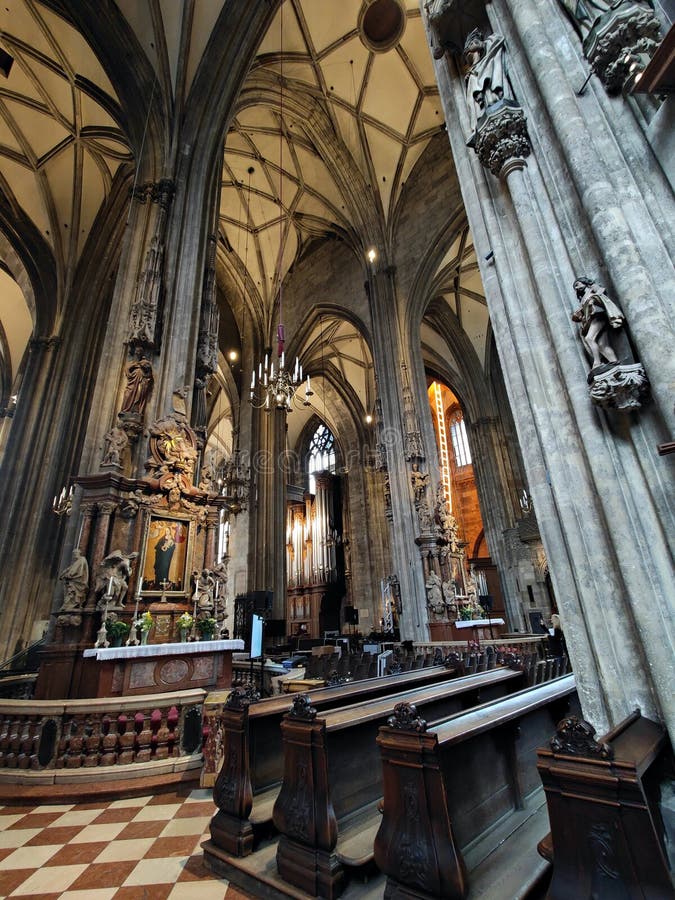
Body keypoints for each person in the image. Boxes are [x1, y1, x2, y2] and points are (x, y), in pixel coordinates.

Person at [571, 277, 625, 370]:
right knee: (602, 345)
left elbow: (601, 291)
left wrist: (594, 297)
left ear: (584, 282)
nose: (576, 288)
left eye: (577, 284)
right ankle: (614, 362)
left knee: (589, 338)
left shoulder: (592, 288)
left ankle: (597, 363)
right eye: (575, 287)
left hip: (598, 316)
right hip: (592, 318)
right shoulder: (583, 297)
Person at [464, 29, 507, 136]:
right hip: (485, 115)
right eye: (470, 45)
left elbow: (498, 38)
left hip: (497, 105)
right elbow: (470, 101)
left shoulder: (488, 58)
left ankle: (493, 103)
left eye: (473, 43)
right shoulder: (471, 74)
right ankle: (479, 121)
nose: (471, 47)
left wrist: (483, 43)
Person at [120, 351, 154, 416]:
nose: (137, 353)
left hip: (141, 382)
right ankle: (125, 410)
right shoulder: (132, 363)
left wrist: (144, 368)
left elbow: (149, 374)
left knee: (139, 395)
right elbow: (127, 371)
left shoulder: (145, 362)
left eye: (139, 352)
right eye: (136, 352)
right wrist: (132, 367)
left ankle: (136, 411)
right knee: (128, 394)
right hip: (132, 381)